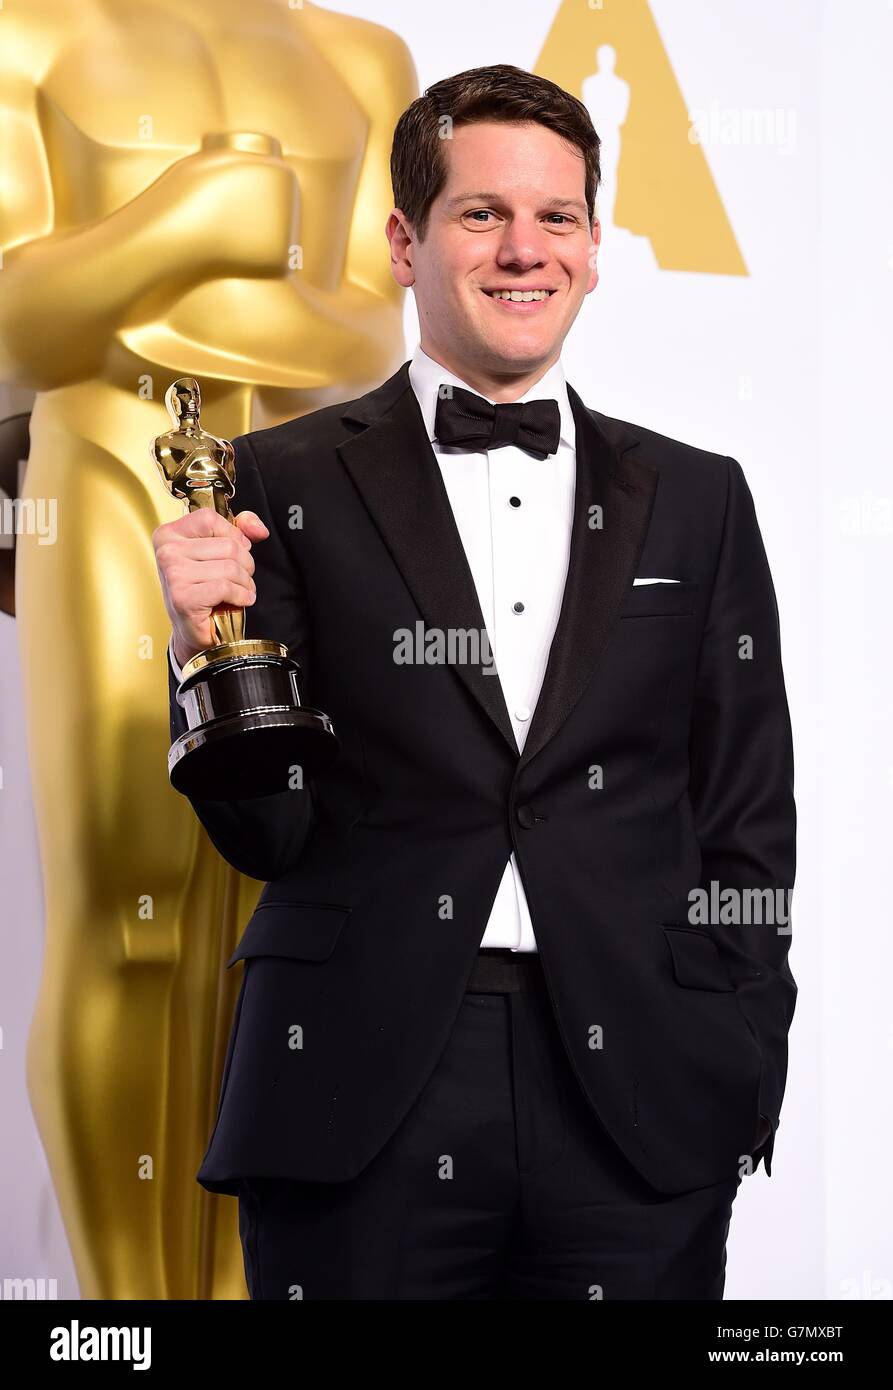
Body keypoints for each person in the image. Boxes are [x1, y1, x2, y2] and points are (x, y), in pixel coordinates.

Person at [152, 64, 797, 1300]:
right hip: (359, 1088)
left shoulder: (698, 496)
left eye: (555, 216)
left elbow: (745, 814)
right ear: (405, 242)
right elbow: (265, 832)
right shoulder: (274, 481)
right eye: (480, 213)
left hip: (637, 1095)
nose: (522, 249)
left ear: (594, 249)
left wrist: (737, 1046)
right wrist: (202, 652)